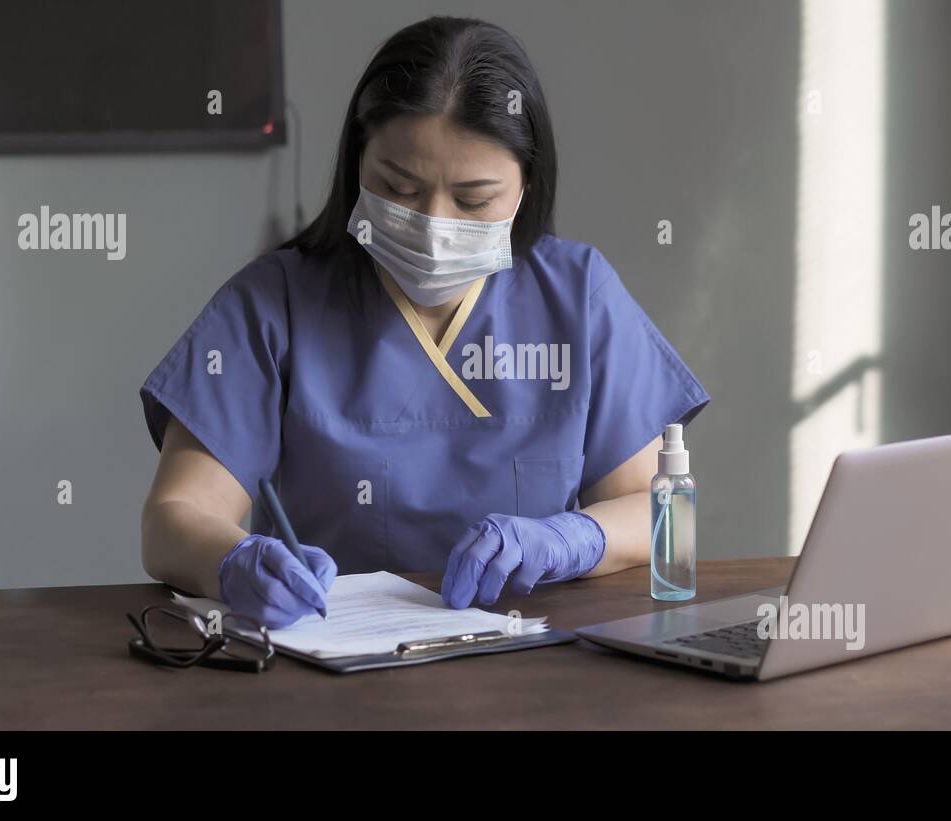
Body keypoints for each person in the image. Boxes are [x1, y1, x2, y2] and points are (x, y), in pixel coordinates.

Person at [139, 16, 709, 628]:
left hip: (531, 665)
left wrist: (569, 540)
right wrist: (234, 561)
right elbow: (173, 518)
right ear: (359, 162)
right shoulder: (273, 303)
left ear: (525, 186)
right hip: (329, 666)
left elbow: (654, 514)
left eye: (473, 200)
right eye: (398, 186)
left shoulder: (577, 296)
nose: (433, 224)